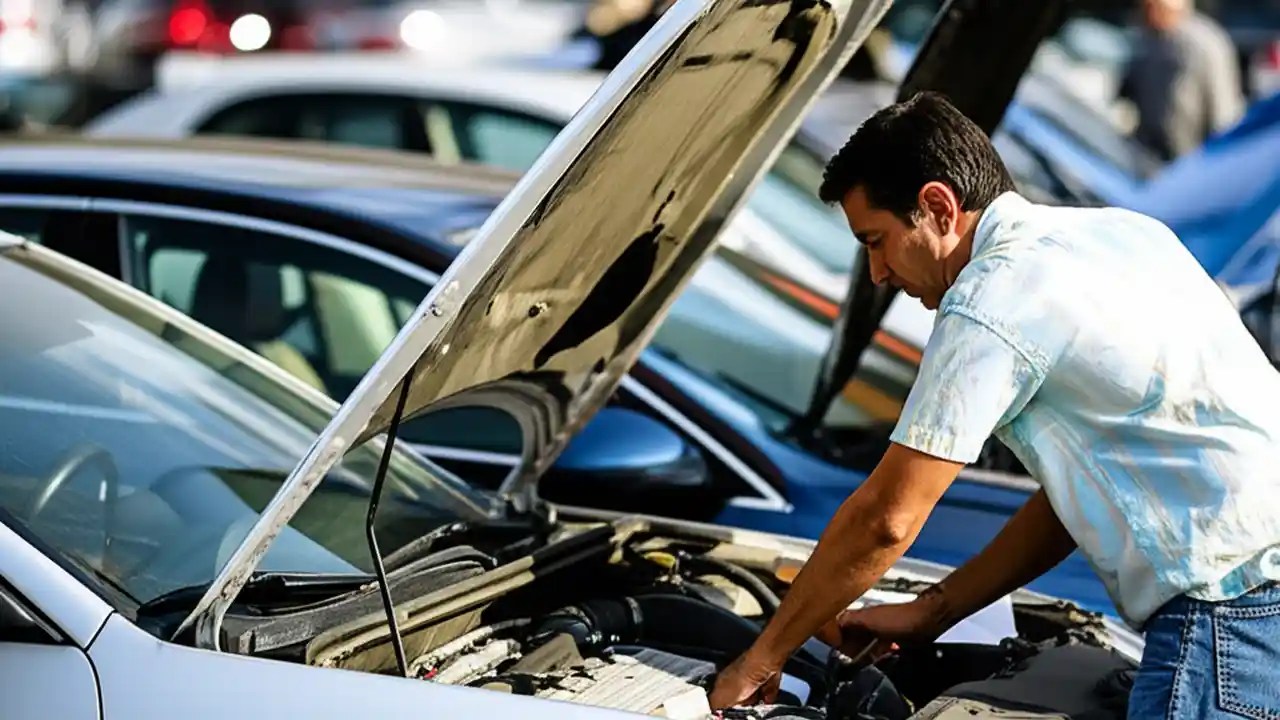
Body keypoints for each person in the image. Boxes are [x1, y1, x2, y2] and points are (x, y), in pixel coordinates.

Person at [708, 91, 1280, 718]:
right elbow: (1081, 500)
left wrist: (761, 660)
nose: (875, 273)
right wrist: (935, 610)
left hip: (1228, 614)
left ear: (936, 206)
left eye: (876, 241)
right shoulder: (1122, 234)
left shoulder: (993, 296)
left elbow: (887, 519)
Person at [1120, 0, 1245, 161]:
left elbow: (1222, 113)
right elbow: (1127, 92)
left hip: (1191, 157)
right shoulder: (1148, 40)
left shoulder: (1205, 45)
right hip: (1149, 156)